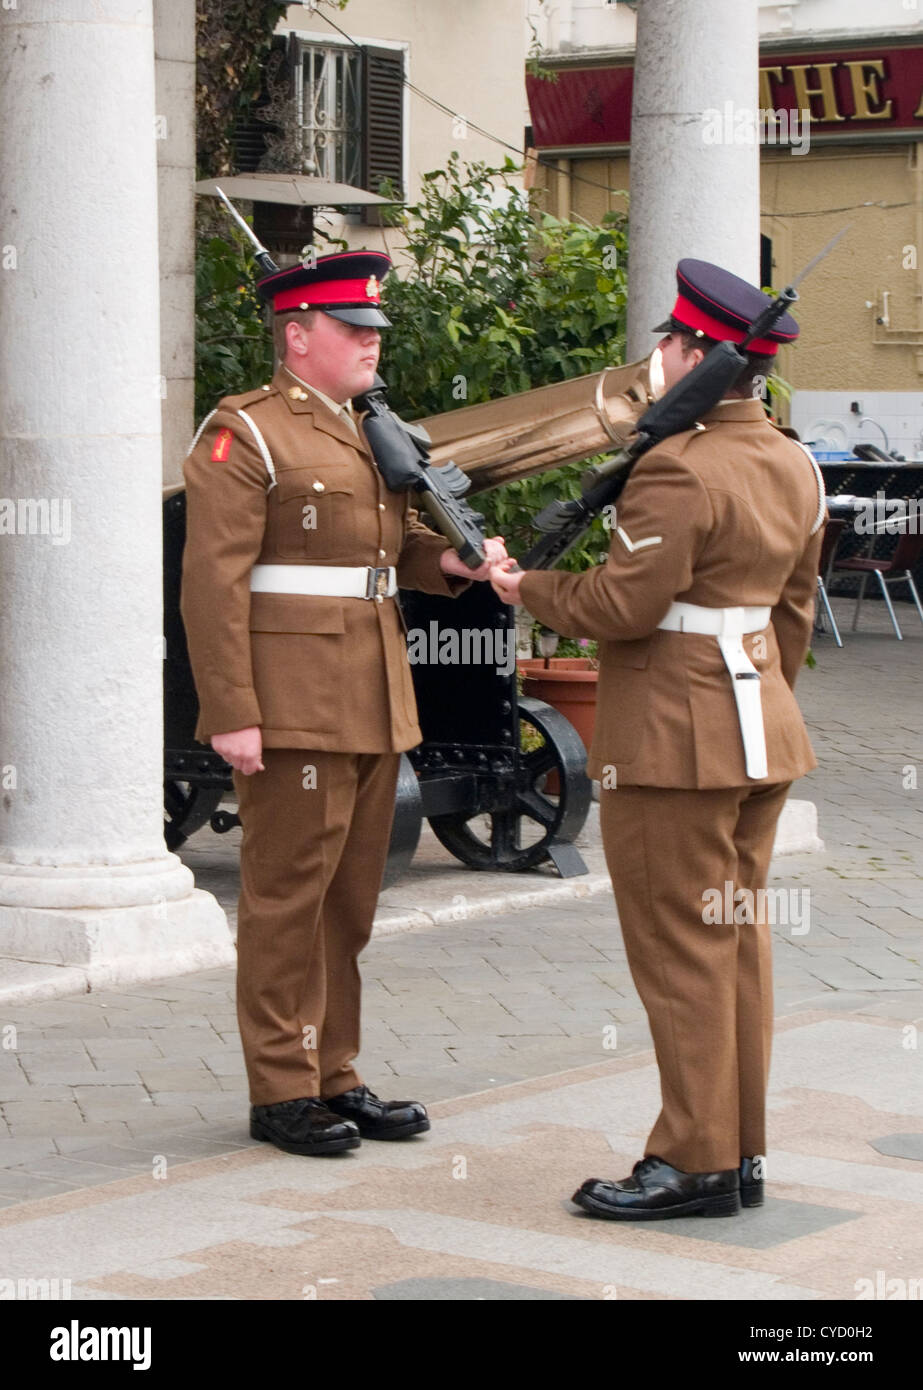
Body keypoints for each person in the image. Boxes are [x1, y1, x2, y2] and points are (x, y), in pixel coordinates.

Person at [490, 259, 825, 1219]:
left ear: (691, 356)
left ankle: (691, 1161)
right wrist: (761, 708)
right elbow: (792, 614)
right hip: (759, 732)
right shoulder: (791, 461)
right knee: (734, 943)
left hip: (675, 742)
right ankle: (737, 1149)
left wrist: (528, 589)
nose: (653, 363)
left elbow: (624, 609)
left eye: (664, 347)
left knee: (682, 950)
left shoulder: (677, 466)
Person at [181, 250, 507, 1156]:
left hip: (371, 691)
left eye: (373, 330)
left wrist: (442, 562)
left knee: (349, 899)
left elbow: (384, 548)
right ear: (298, 336)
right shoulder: (242, 433)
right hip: (289, 703)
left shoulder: (368, 428)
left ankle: (334, 1071)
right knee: (288, 895)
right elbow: (213, 585)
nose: (371, 343)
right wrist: (231, 710)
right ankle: (280, 1090)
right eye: (353, 329)